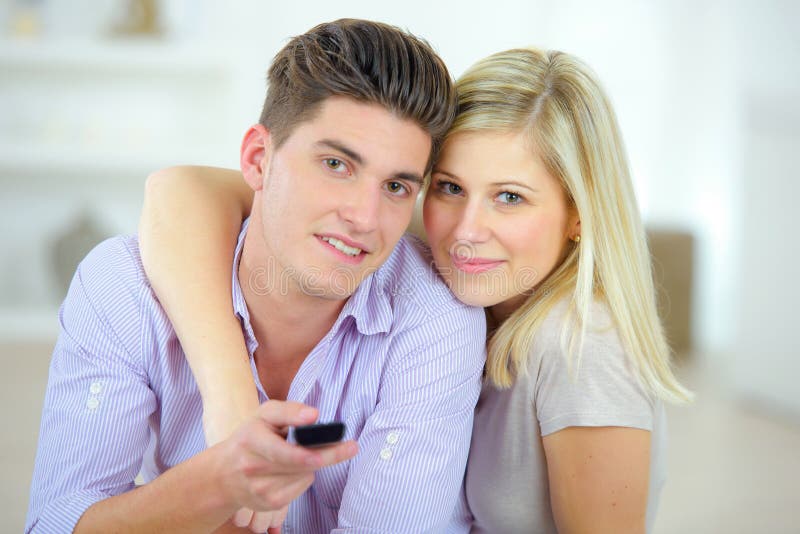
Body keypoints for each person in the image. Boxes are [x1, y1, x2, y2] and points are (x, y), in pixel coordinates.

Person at [137, 47, 692, 533]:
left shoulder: (583, 347)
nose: (468, 230)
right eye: (450, 186)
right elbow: (175, 191)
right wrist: (229, 398)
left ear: (579, 214)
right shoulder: (437, 251)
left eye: (511, 198)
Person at [26, 19, 487, 534]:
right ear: (257, 159)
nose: (365, 216)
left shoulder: (432, 318)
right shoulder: (123, 287)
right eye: (336, 163)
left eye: (397, 187)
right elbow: (57, 522)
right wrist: (215, 484)